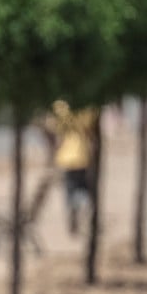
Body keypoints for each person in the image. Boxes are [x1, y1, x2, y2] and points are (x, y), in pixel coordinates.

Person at [46, 101, 100, 236]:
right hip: (83, 156)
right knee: (84, 188)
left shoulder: (61, 107)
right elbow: (91, 131)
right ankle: (81, 206)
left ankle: (73, 212)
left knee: (70, 190)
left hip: (66, 157)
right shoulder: (87, 108)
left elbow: (51, 128)